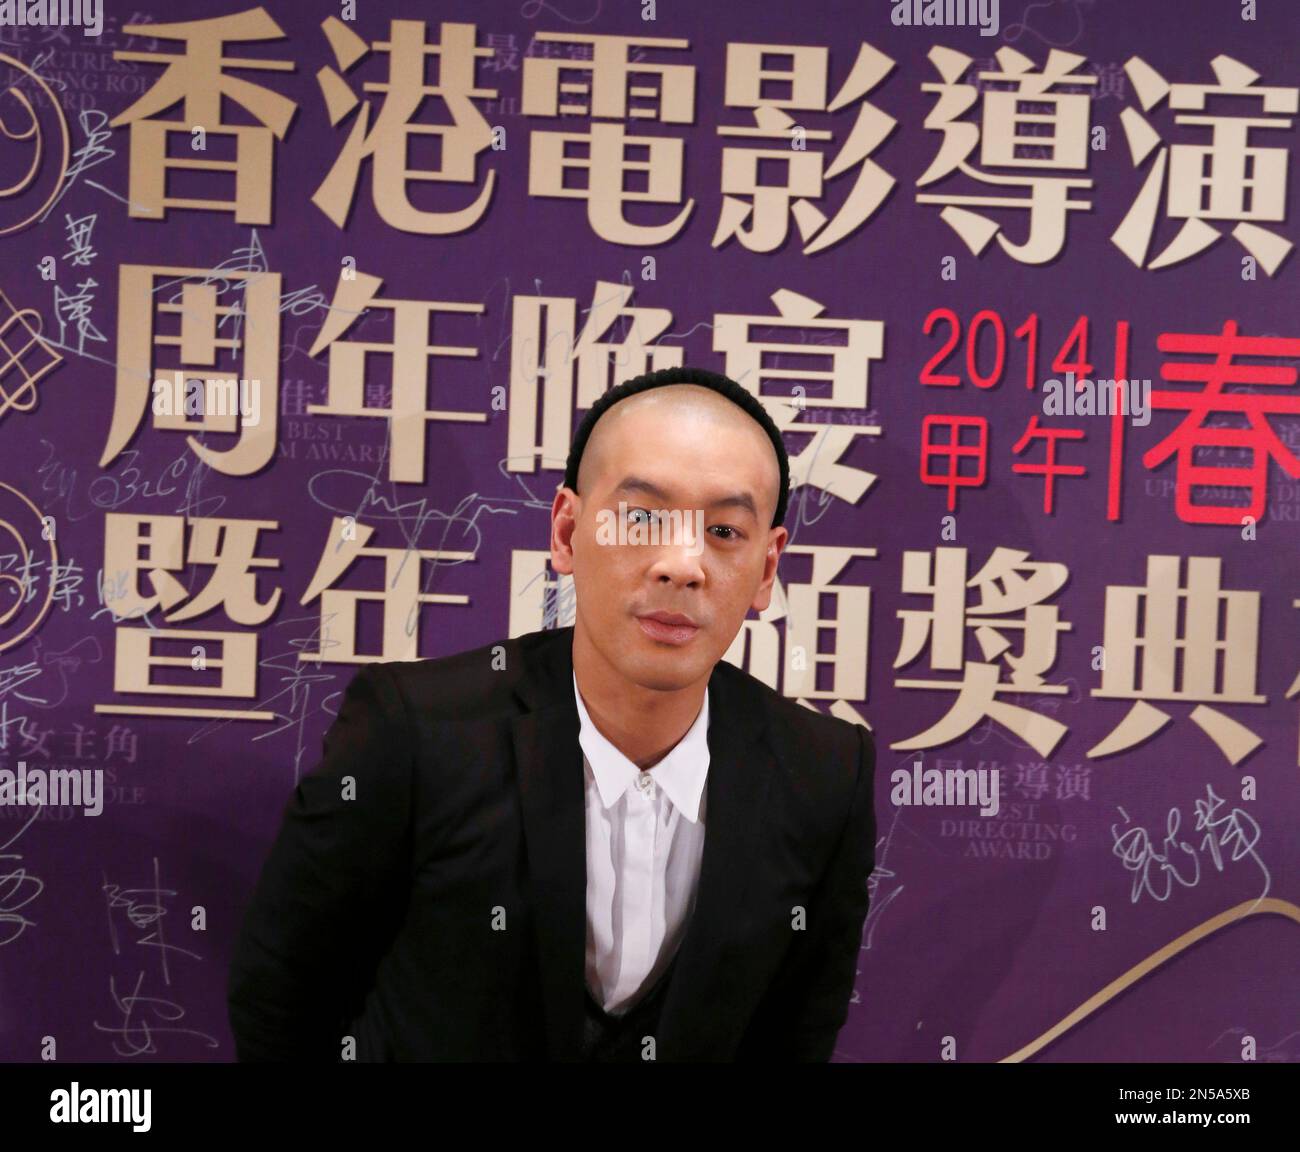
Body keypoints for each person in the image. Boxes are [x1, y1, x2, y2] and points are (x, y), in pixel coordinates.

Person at [227, 365, 877, 1061]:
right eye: (643, 518)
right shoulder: (416, 731)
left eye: (724, 530)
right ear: (566, 532)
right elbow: (282, 999)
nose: (682, 565)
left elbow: (795, 1039)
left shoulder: (824, 775)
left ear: (768, 566)